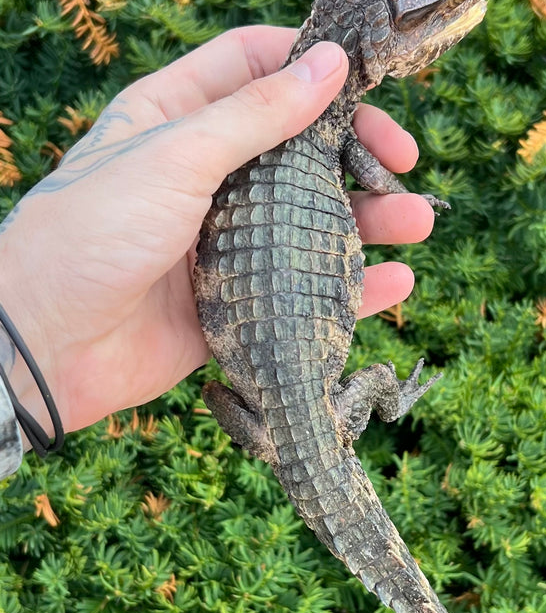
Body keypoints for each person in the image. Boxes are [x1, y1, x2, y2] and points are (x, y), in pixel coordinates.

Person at [0, 26, 435, 474]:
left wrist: (33, 327)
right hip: (283, 395)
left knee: (376, 379)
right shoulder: (336, 134)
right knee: (372, 377)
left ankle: (379, 405)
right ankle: (379, 408)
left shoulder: (292, 129)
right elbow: (214, 394)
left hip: (279, 367)